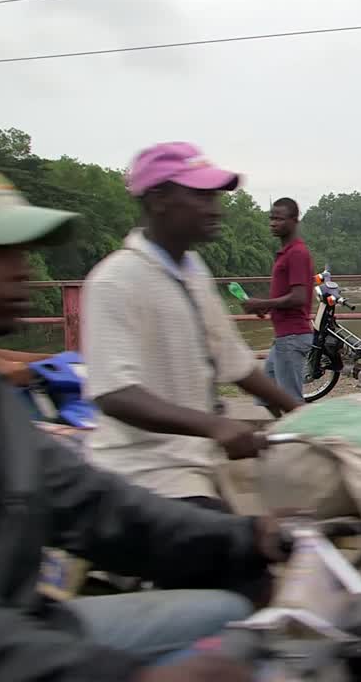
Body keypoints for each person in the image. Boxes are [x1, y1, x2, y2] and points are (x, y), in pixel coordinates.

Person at [0, 157, 279, 681]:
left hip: (23, 621)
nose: (21, 267)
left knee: (233, 615)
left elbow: (89, 503)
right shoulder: (116, 280)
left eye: (21, 248)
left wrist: (251, 534)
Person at [82, 142, 302, 509]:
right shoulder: (114, 281)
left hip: (198, 465)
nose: (214, 209)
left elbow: (232, 358)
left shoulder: (193, 270)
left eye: (214, 197)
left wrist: (302, 414)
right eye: (201, 196)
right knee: (245, 552)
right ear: (159, 199)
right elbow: (114, 393)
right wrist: (214, 426)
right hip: (145, 474)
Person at [240, 197, 315, 408]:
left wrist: (263, 303)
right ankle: (280, 435)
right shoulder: (286, 253)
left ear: (294, 220)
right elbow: (288, 295)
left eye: (279, 219)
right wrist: (266, 306)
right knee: (267, 398)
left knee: (292, 402)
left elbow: (299, 298)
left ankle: (305, 438)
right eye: (271, 218)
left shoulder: (297, 253)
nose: (273, 223)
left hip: (292, 336)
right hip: (283, 337)